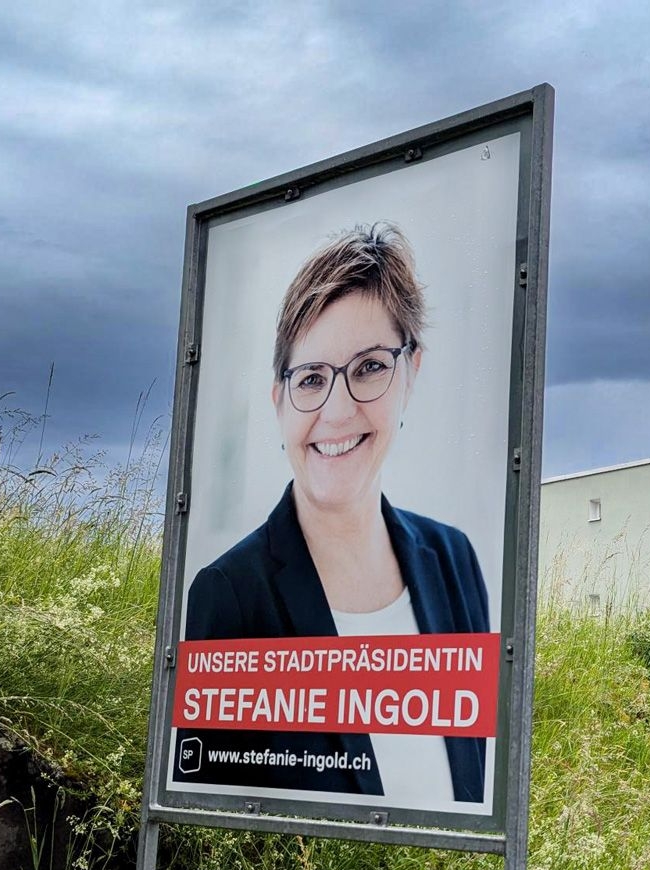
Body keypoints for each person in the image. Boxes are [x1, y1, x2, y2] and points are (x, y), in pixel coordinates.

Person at [179, 223, 489, 805]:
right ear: (279, 401)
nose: (338, 409)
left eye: (370, 366)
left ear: (411, 371)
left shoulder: (456, 562)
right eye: (312, 378)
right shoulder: (229, 596)